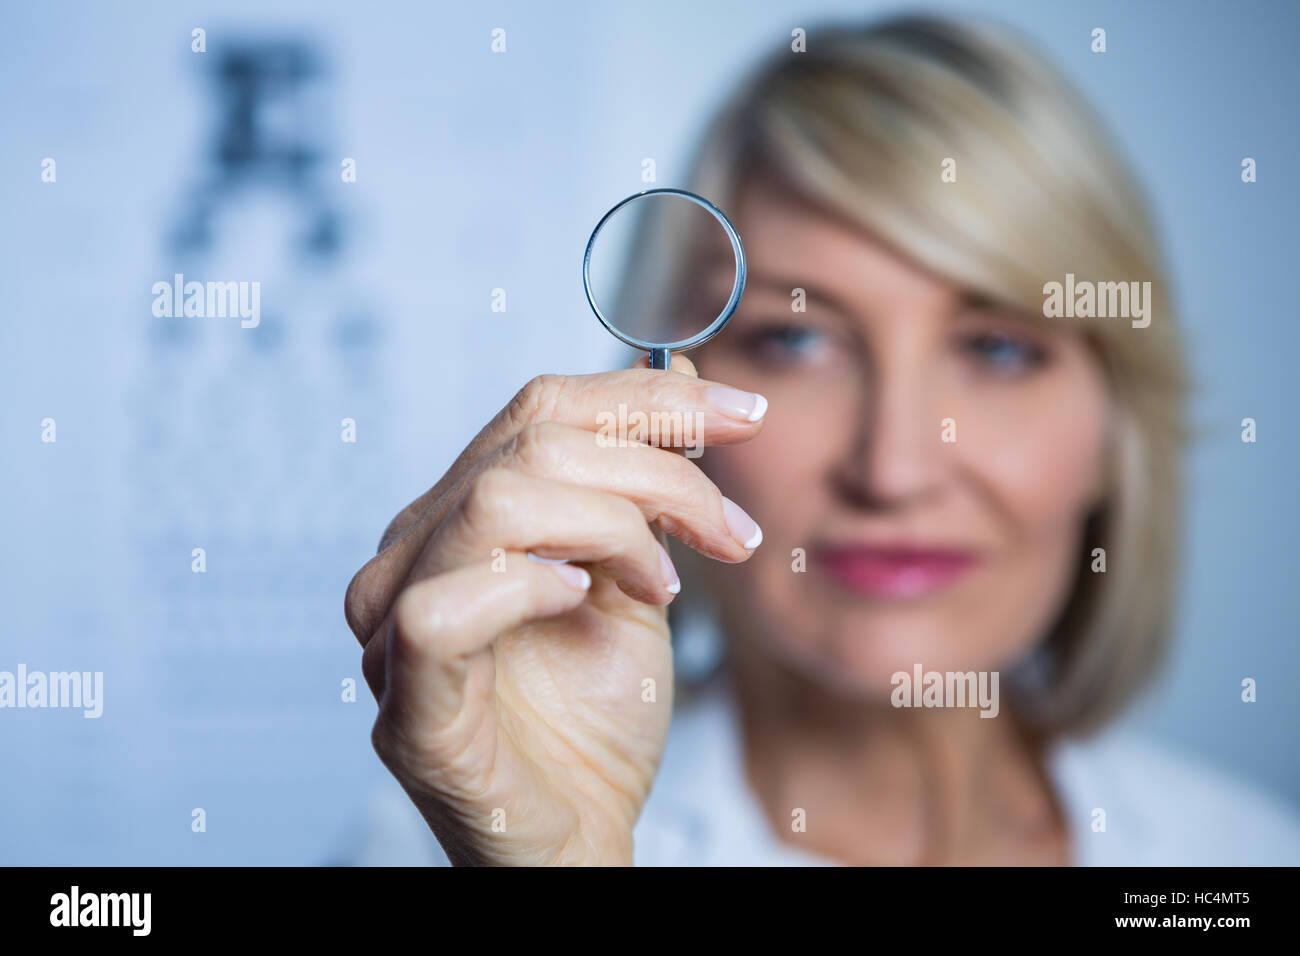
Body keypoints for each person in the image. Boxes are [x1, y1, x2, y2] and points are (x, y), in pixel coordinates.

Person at [340, 14, 1300, 865]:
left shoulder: (1238, 856)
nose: (895, 468)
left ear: (1112, 434)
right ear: (663, 409)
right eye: (797, 339)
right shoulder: (455, 847)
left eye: (999, 348)